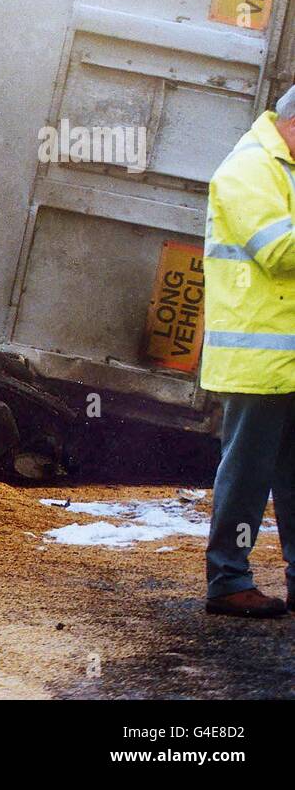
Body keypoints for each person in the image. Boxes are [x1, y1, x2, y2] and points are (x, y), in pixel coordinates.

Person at [201, 83, 295, 617]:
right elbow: (278, 251)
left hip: (284, 358)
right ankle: (228, 581)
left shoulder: (283, 166)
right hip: (258, 361)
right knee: (247, 475)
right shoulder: (248, 169)